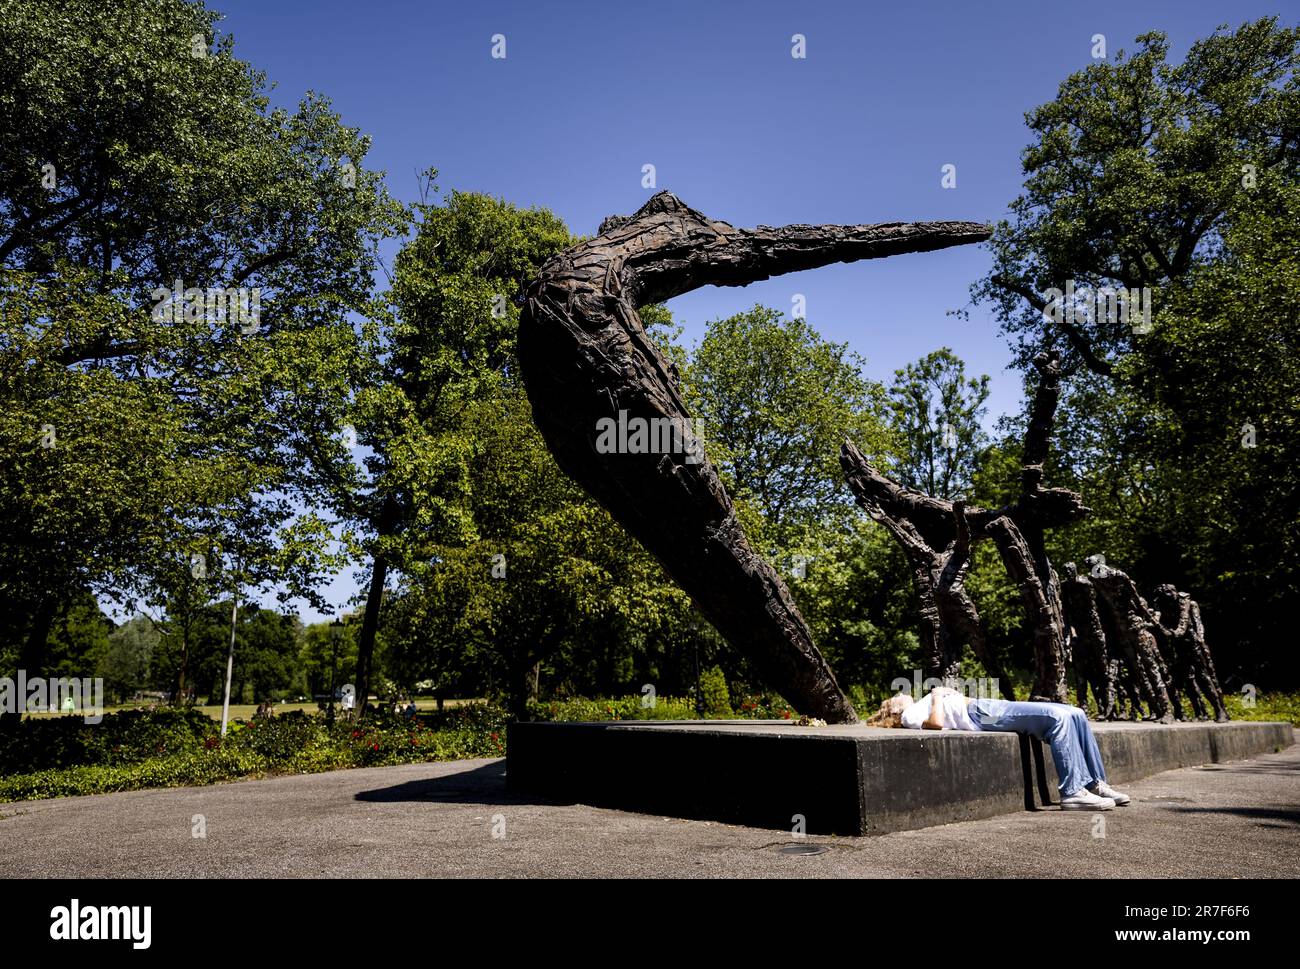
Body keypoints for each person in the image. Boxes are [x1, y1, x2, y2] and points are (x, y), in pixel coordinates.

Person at [868, 687, 1131, 811]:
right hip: (982, 714)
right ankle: (1072, 792)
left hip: (983, 706)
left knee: (1076, 713)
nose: (901, 693)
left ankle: (1095, 783)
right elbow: (936, 723)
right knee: (1057, 718)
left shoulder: (913, 707)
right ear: (892, 708)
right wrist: (938, 695)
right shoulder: (907, 716)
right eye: (896, 696)